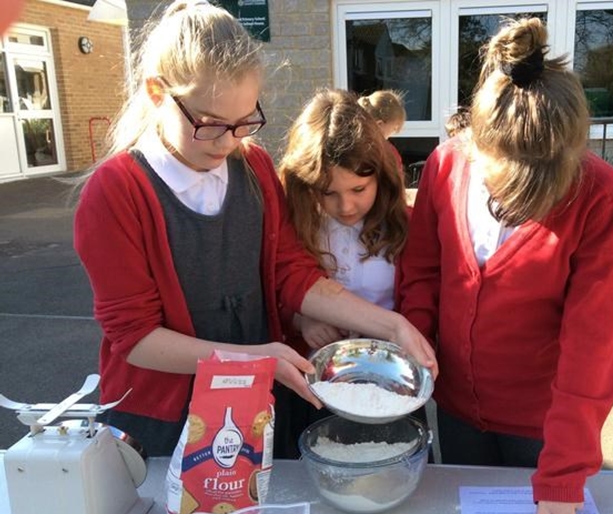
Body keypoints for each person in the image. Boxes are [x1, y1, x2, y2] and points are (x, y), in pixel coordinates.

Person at [73, 1, 436, 458]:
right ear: (156, 92)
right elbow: (136, 338)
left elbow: (291, 272)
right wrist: (252, 359)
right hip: (165, 419)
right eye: (209, 124)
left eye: (245, 121)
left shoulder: (255, 167)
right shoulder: (116, 191)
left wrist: (393, 325)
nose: (229, 142)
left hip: (257, 405)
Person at [397, 17, 613, 514]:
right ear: (476, 143)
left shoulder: (603, 198)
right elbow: (422, 271)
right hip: (457, 408)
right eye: (508, 179)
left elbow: (593, 343)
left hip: (543, 425)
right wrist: (415, 338)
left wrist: (564, 472)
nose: (524, 201)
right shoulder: (444, 165)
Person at [277, 88, 412, 444]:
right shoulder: (297, 225)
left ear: (381, 178)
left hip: (389, 381)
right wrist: (301, 318)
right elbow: (274, 289)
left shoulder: (404, 227)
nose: (346, 206)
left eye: (358, 189)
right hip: (315, 385)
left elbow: (423, 296)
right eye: (328, 192)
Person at [357, 89, 406, 170]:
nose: (395, 132)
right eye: (394, 128)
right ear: (379, 124)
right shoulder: (388, 153)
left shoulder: (348, 147)